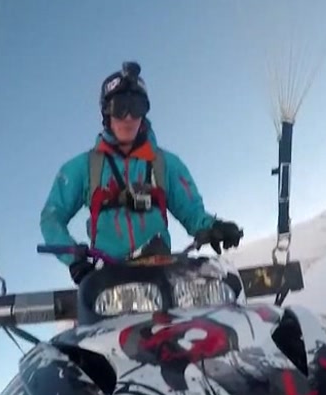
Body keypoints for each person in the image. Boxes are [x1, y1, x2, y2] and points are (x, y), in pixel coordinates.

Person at [40, 62, 244, 284]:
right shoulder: (84, 167)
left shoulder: (165, 164)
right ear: (106, 113)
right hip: (109, 278)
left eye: (136, 107)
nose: (128, 117)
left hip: (162, 270)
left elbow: (192, 211)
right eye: (120, 107)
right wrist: (74, 258)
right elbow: (52, 216)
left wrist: (213, 227)